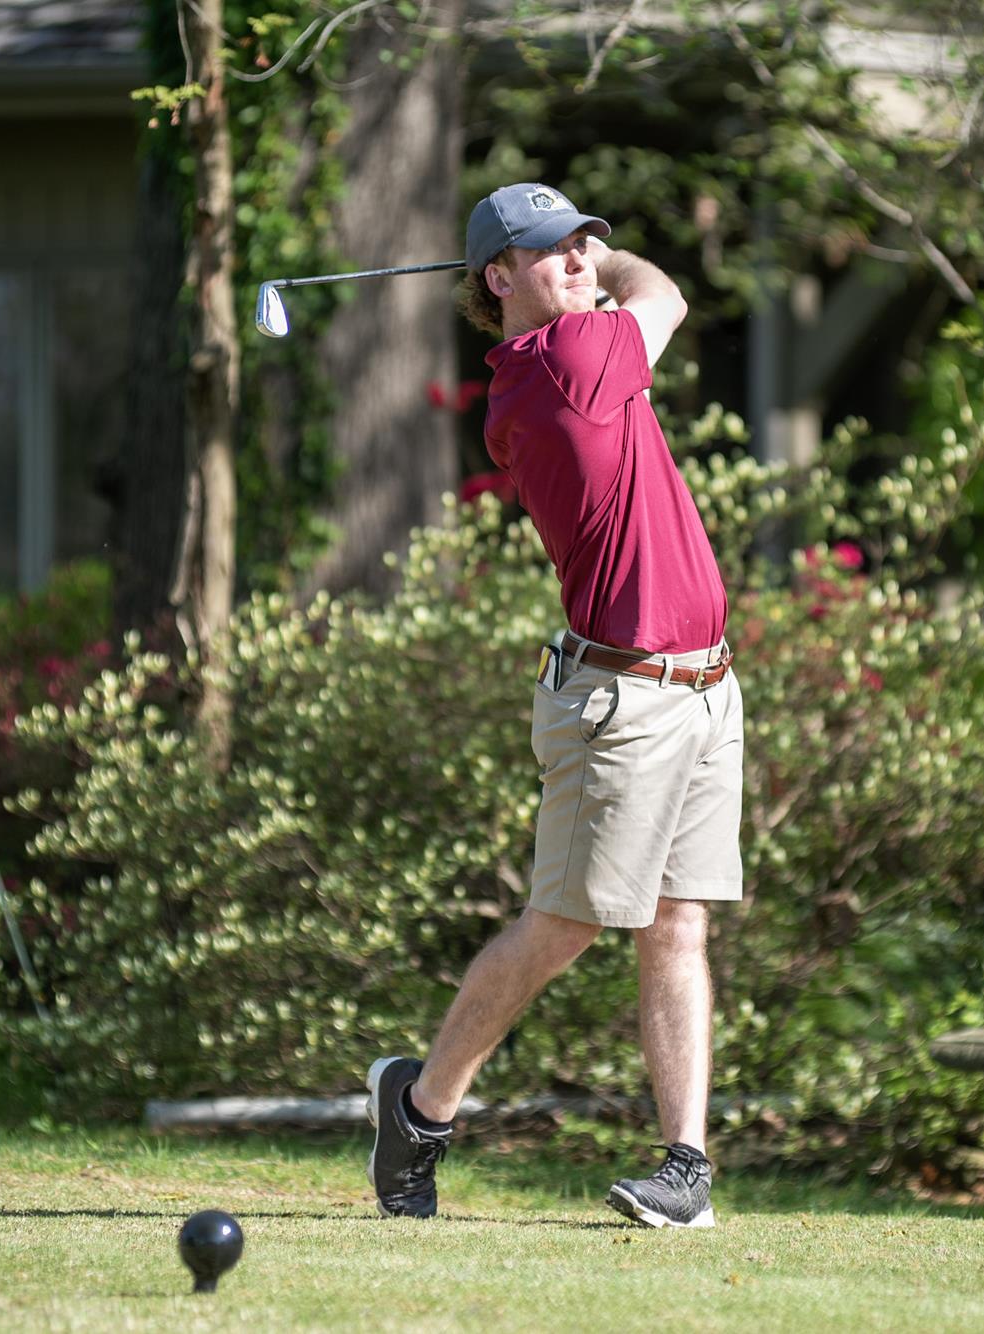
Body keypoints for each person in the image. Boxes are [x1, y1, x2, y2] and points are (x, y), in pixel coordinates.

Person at [366, 182, 744, 1230]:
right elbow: (660, 290)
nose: (579, 262)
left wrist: (578, 266)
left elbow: (635, 292)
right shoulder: (565, 365)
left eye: (585, 245)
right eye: (549, 251)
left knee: (678, 924)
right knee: (566, 924)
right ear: (497, 277)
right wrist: (615, 275)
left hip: (706, 684)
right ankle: (419, 1108)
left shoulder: (568, 352)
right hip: (619, 698)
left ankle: (685, 1170)